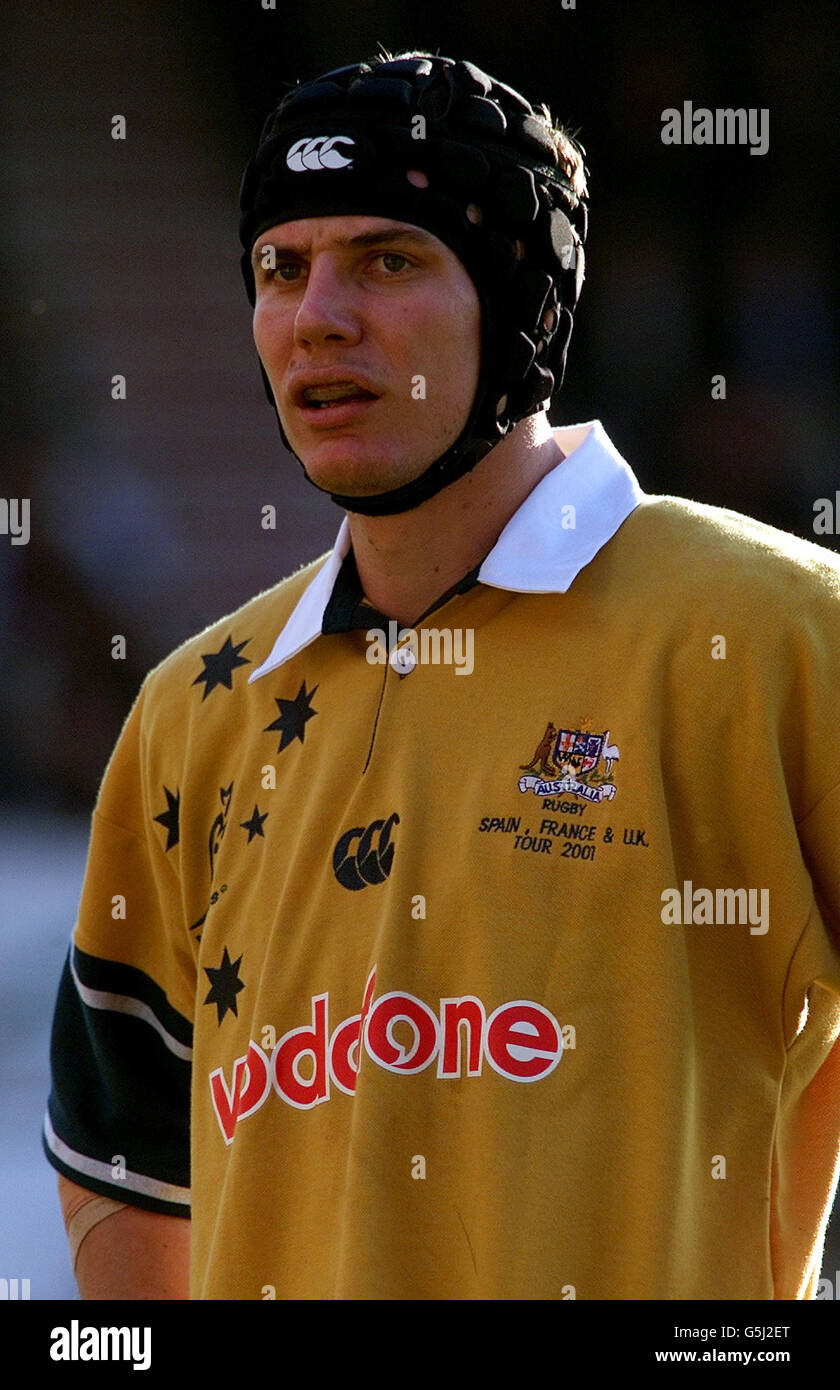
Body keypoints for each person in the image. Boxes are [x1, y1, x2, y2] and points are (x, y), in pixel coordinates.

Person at [44, 49, 840, 1301]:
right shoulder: (195, 706)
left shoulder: (780, 633)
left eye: (388, 258)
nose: (318, 317)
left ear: (523, 304)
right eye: (280, 267)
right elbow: (120, 1153)